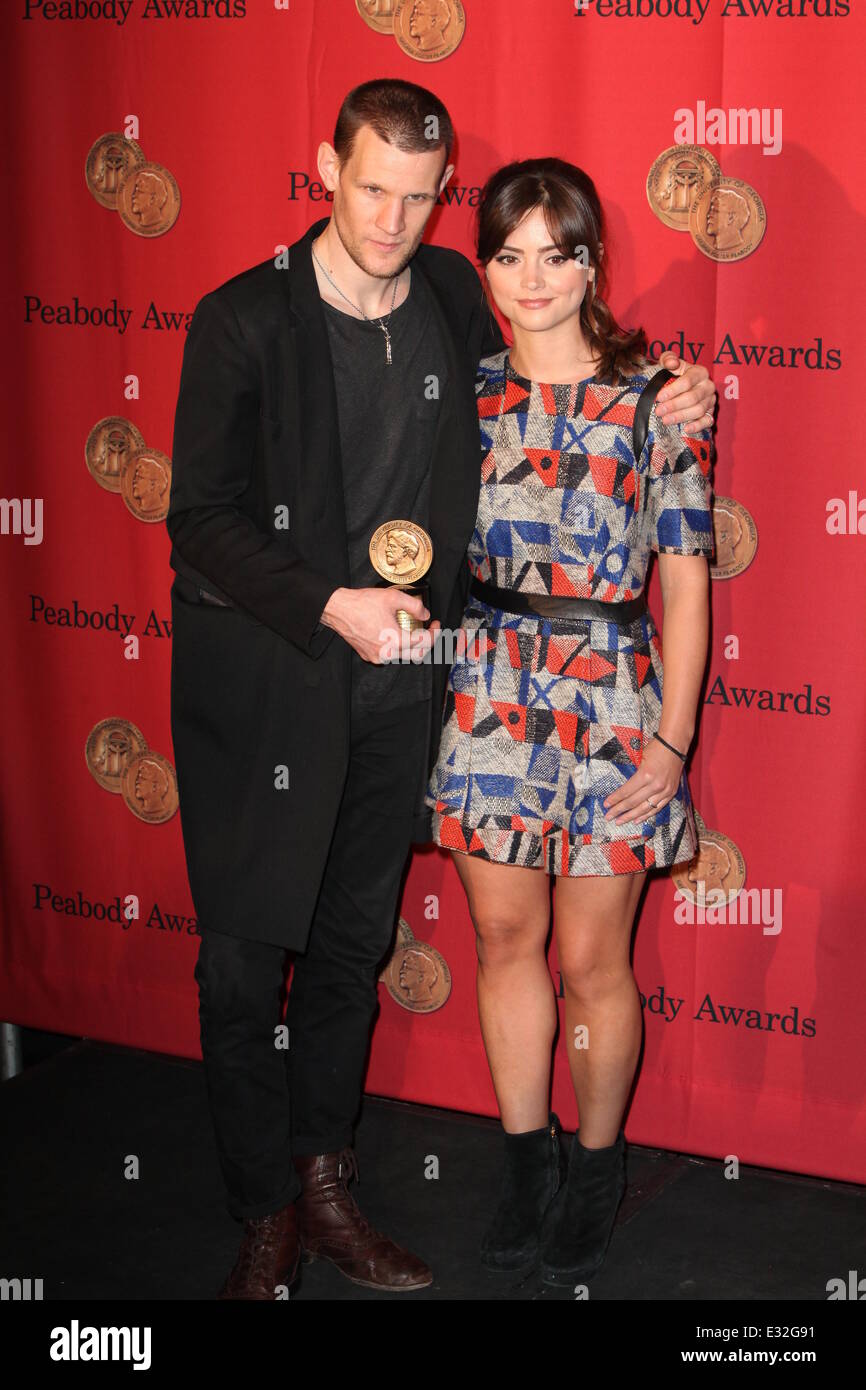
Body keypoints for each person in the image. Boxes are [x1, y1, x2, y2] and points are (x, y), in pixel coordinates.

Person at [166, 79, 717, 1300]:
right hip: (373, 694)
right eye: (374, 188)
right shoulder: (299, 329)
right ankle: (323, 1202)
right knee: (298, 964)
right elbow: (199, 512)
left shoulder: (511, 337)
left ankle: (483, 1175)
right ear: (326, 168)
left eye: (420, 199)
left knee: (456, 958)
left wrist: (674, 385)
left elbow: (671, 551)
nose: (395, 218)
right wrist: (331, 601)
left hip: (511, 699)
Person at [426, 157, 716, 1288]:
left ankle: (596, 1170)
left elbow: (686, 583)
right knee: (503, 944)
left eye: (556, 252)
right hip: (486, 685)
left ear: (592, 258)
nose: (529, 278)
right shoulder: (465, 389)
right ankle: (522, 1165)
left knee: (594, 959)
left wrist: (670, 738)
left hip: (611, 697)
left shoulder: (658, 401)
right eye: (506, 254)